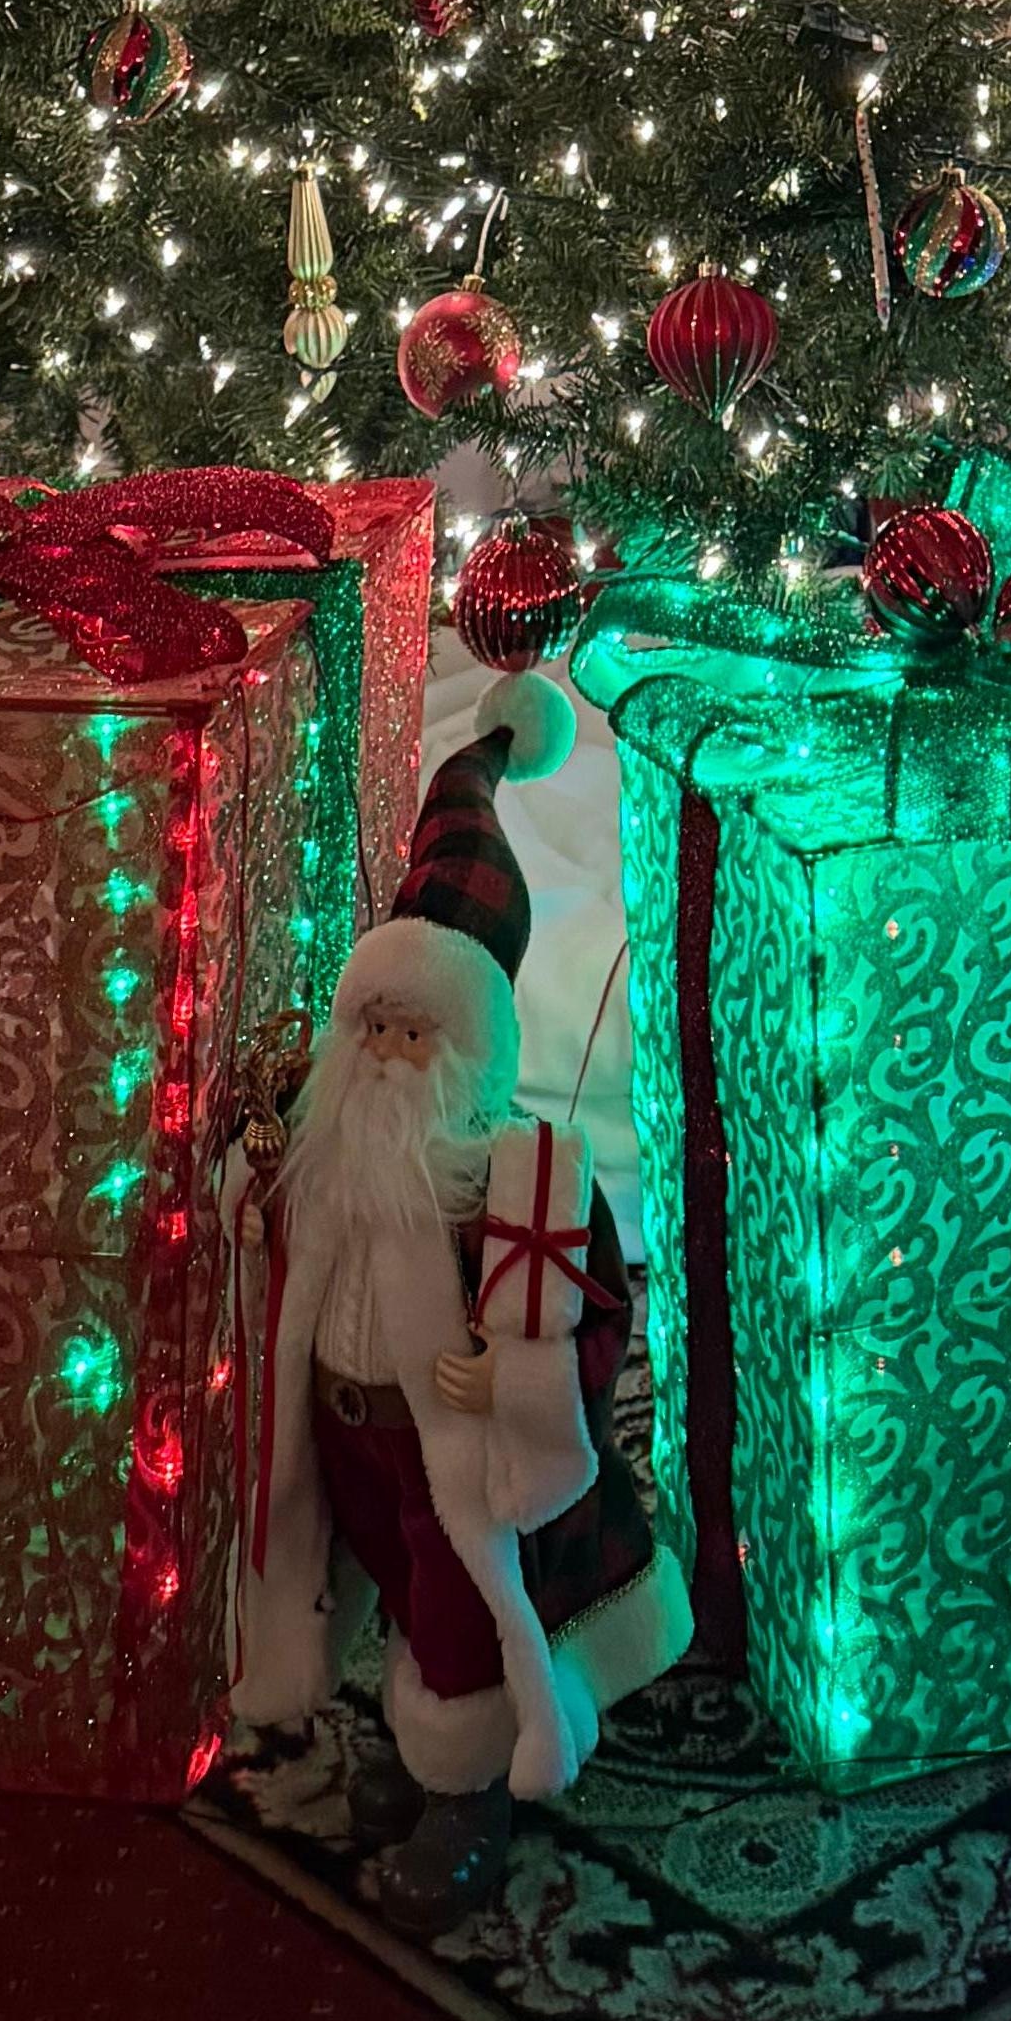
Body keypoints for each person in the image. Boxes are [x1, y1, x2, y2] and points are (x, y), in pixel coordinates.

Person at [230, 689, 688, 1907]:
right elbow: (271, 1227)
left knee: (457, 1613)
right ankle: (419, 1743)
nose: (385, 1054)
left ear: (471, 1051)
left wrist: (515, 1376)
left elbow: (596, 1312)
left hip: (452, 1449)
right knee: (381, 1588)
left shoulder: (513, 1180)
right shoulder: (325, 1147)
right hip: (347, 1434)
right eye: (372, 1024)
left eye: (415, 1033)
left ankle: (465, 1789)